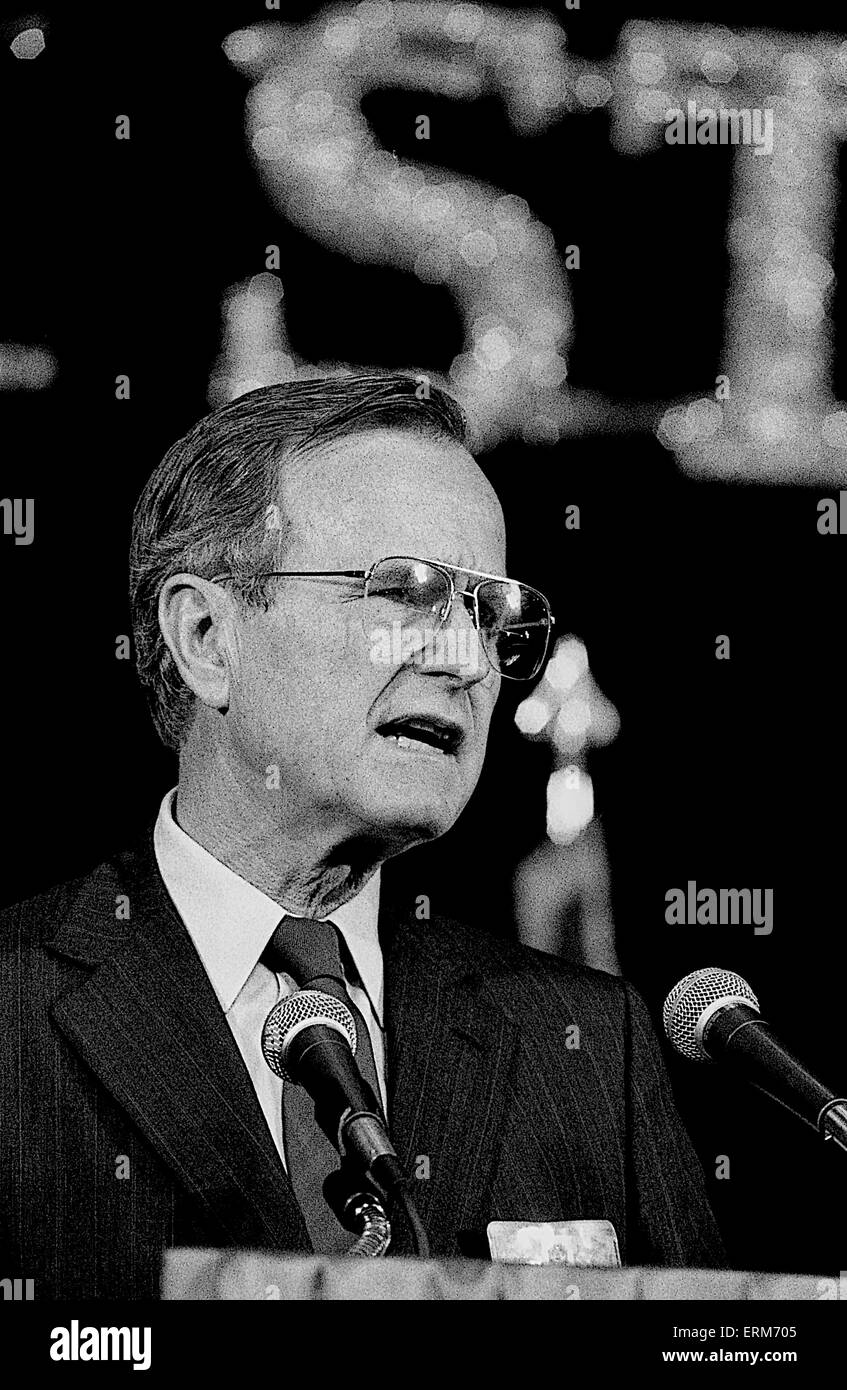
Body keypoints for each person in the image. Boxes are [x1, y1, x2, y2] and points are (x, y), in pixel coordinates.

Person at [0, 372, 724, 1298]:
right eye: (407, 591)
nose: (464, 659)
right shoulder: (14, 1013)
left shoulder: (585, 1045)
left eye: (489, 614)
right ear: (208, 636)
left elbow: (719, 1350)